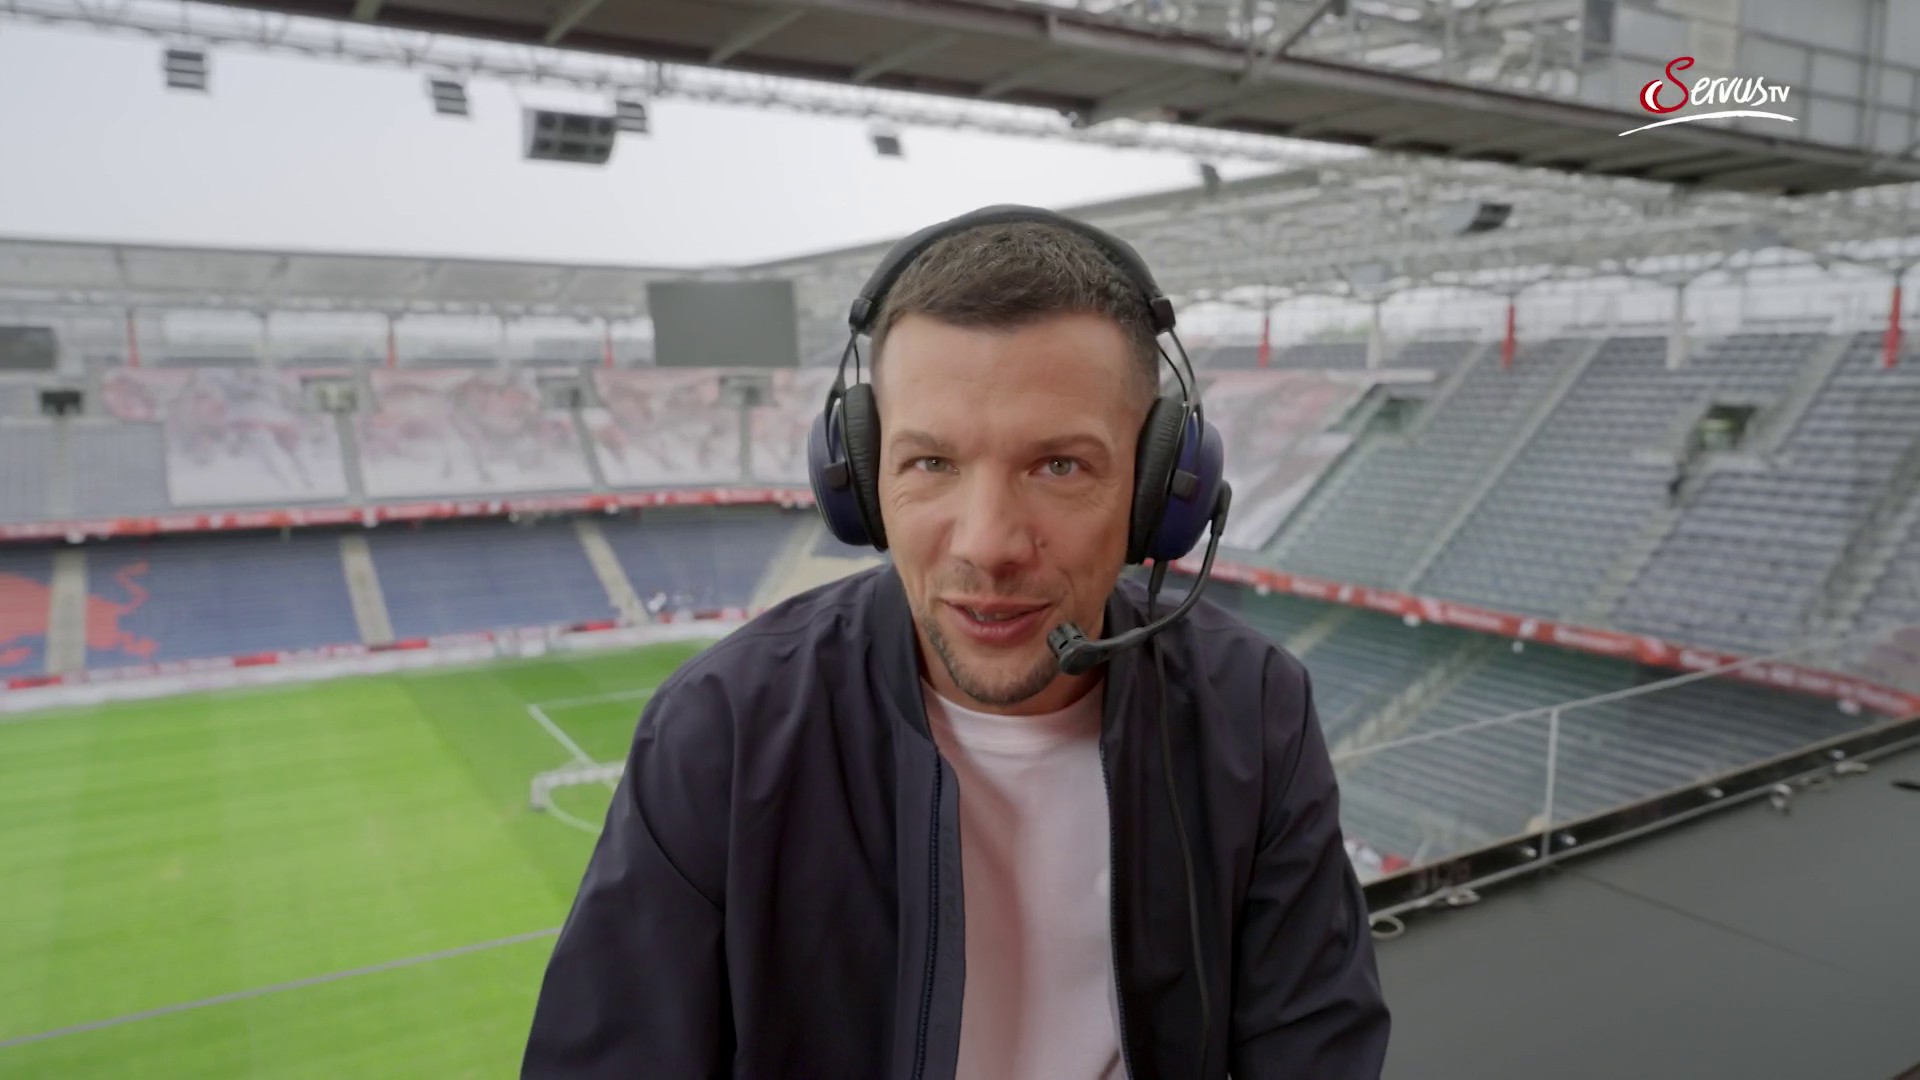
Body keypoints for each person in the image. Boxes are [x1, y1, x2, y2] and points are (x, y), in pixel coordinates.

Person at [522, 206, 1390, 1079]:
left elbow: (1315, 1054)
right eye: (931, 464)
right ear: (862, 482)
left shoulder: (1256, 709)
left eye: (1059, 465)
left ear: (1160, 490)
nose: (988, 543)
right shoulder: (721, 731)